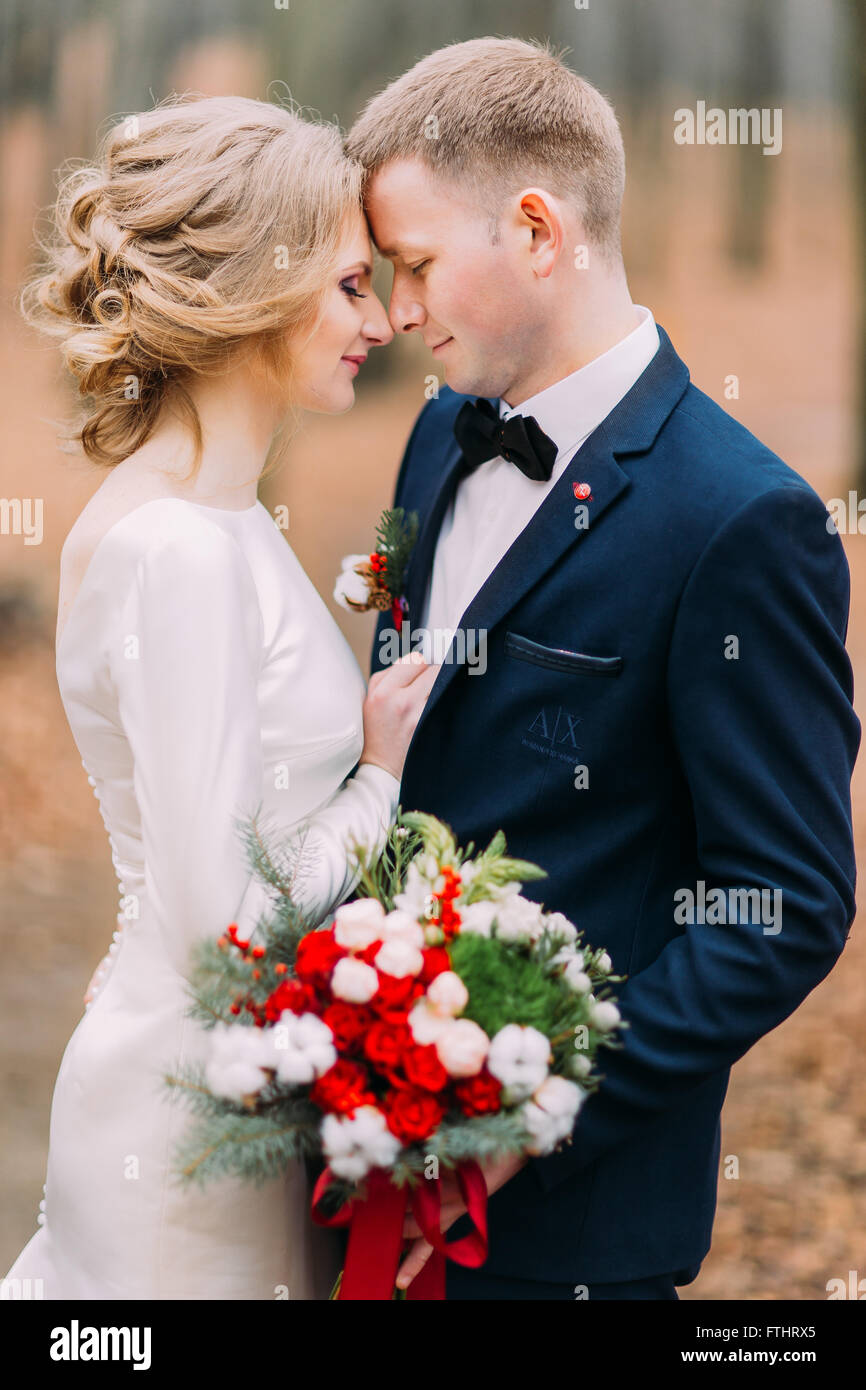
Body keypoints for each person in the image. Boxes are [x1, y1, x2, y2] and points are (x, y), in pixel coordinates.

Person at [346, 36, 860, 1299]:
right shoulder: (434, 436)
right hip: (358, 1162)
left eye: (413, 266)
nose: (396, 312)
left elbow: (784, 900)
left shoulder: (739, 519)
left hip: (566, 1239)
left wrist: (537, 1114)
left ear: (534, 229)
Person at [4, 94, 436, 1299]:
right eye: (350, 286)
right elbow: (219, 931)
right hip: (184, 1134)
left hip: (234, 1092)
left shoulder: (219, 516)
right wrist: (380, 781)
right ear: (260, 280)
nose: (377, 321)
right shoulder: (180, 549)